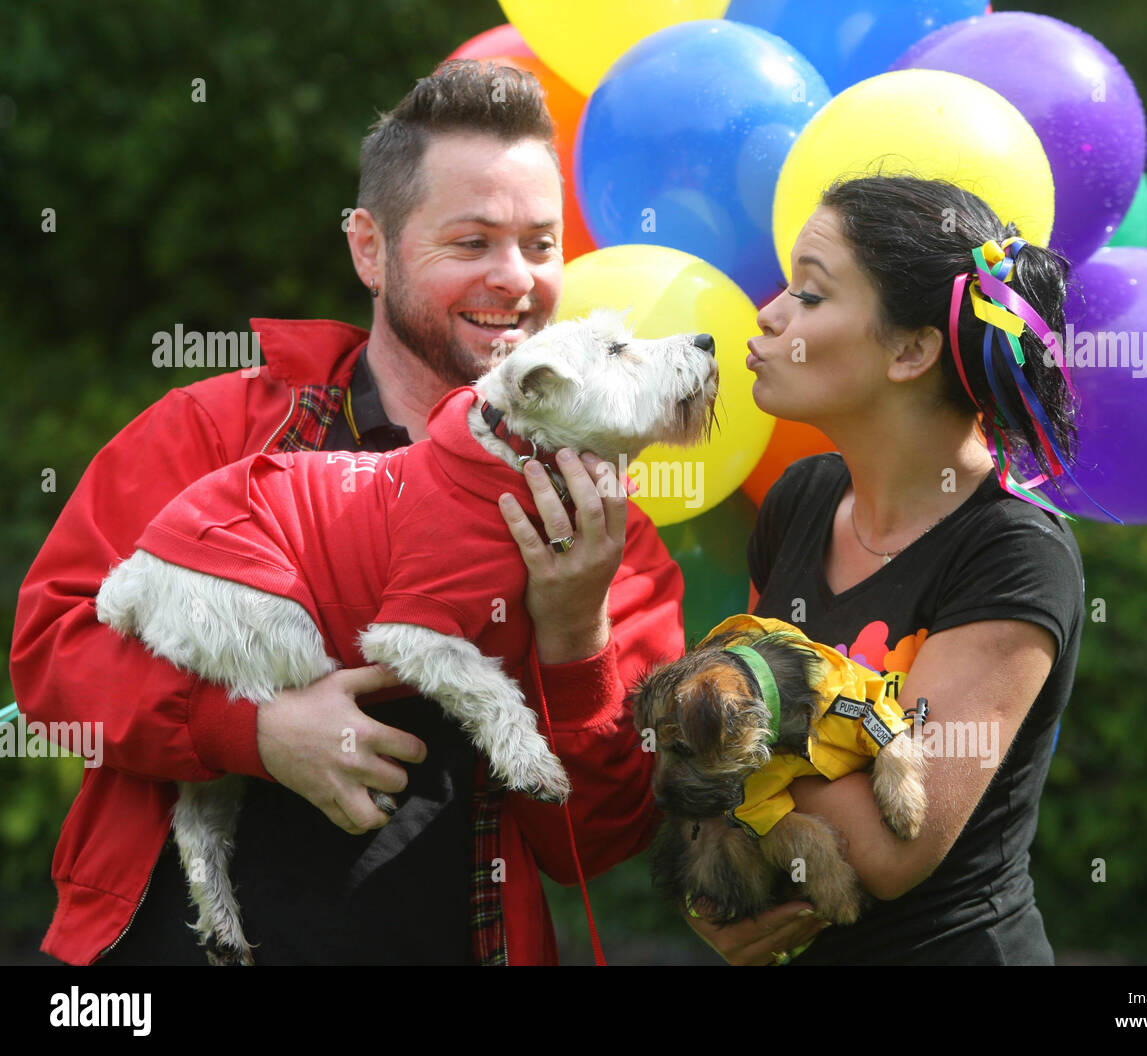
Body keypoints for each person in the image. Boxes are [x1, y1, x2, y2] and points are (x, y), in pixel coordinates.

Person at [10, 60, 682, 966]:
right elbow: (54, 654)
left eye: (541, 243)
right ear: (370, 248)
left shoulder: (599, 522)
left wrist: (574, 633)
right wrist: (247, 729)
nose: (516, 279)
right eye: (473, 241)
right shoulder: (217, 433)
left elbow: (592, 841)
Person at [685, 175, 1085, 965]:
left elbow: (889, 847)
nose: (768, 314)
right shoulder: (802, 499)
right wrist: (716, 884)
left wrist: (702, 727)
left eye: (809, 292)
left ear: (911, 351)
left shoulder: (1013, 551)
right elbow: (739, 785)